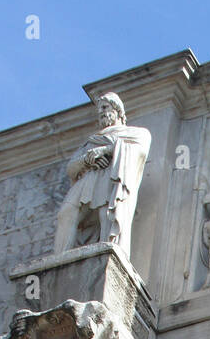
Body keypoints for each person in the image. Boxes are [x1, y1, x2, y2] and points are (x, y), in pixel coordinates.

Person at [54, 93, 151, 259]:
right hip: (88, 180)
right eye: (99, 109)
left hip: (111, 176)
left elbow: (140, 148)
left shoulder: (134, 133)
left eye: (105, 107)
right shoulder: (92, 140)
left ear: (117, 110)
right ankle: (59, 259)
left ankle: (109, 256)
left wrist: (105, 150)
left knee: (107, 215)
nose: (101, 112)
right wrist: (87, 159)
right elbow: (71, 168)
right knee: (66, 212)